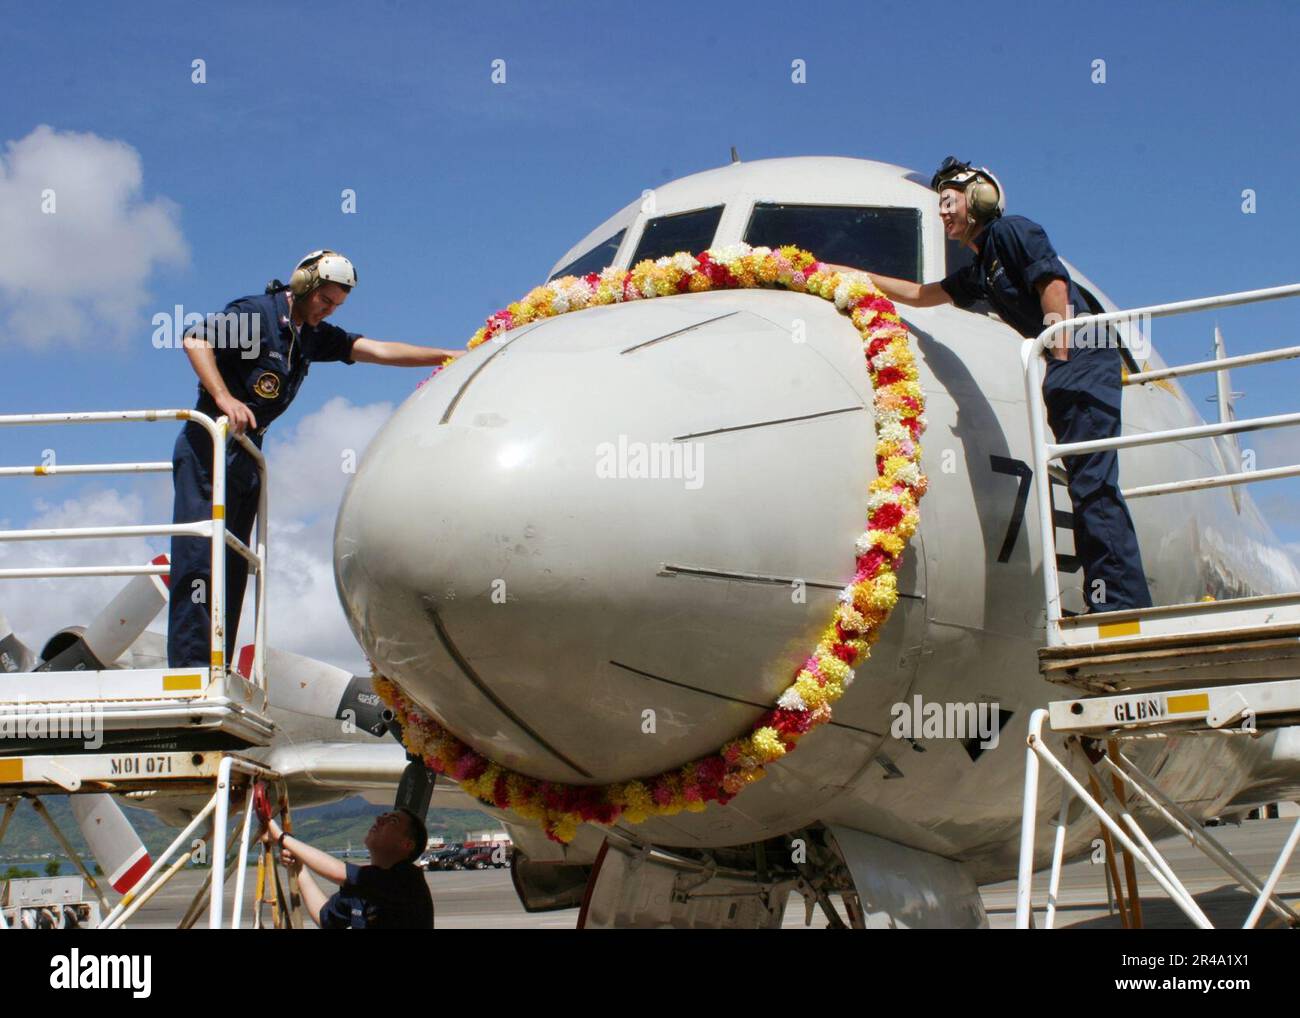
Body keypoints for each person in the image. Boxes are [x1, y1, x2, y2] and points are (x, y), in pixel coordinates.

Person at [843, 157, 1152, 613]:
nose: (943, 212)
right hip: (1068, 359)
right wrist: (855, 275)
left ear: (979, 198)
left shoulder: (1013, 233)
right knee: (1086, 484)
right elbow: (922, 295)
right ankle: (1108, 597)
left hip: (1083, 352)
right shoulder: (981, 268)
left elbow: (1053, 286)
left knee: (1092, 484)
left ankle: (1122, 603)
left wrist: (1059, 352)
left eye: (949, 201)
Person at [168, 250, 461, 668]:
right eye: (325, 300)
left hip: (247, 457)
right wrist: (223, 397)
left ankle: (216, 664)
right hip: (209, 448)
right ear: (303, 285)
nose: (328, 311)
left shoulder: (311, 333)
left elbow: (376, 349)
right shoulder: (257, 316)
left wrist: (451, 356)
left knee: (233, 564)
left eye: (337, 305)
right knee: (200, 557)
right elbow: (196, 339)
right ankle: (188, 670)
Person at [257, 790, 434, 929]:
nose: (380, 819)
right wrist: (299, 868)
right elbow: (324, 917)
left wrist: (281, 838)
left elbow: (339, 872)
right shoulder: (366, 885)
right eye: (384, 816)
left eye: (393, 821)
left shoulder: (407, 880)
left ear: (406, 845)